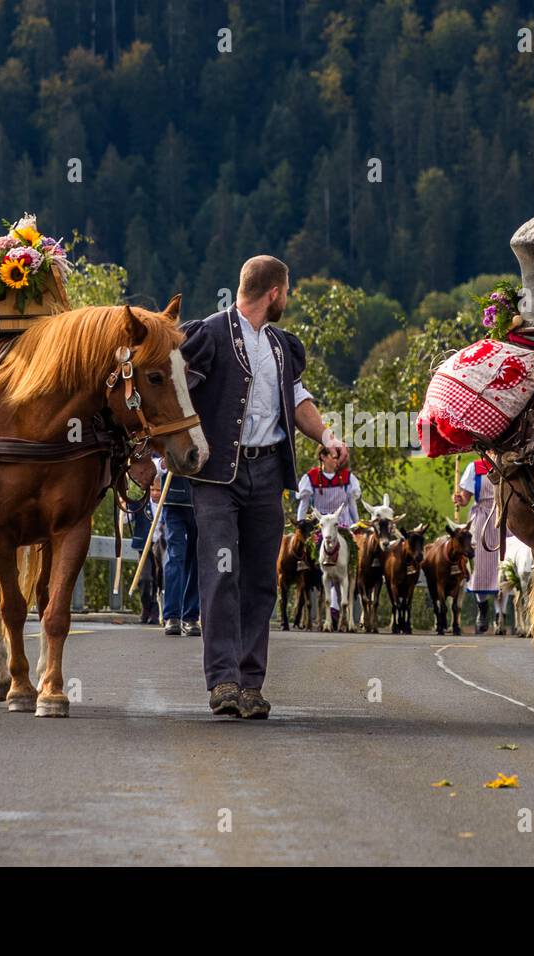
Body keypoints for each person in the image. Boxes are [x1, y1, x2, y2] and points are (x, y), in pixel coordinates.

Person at [179, 255, 350, 719]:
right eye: (287, 291)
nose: (287, 299)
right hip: (216, 477)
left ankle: (251, 683)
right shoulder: (209, 334)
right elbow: (176, 394)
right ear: (274, 292)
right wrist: (160, 459)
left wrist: (327, 437)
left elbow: (297, 398)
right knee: (221, 575)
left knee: (260, 580)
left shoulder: (280, 346)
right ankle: (224, 681)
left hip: (267, 473)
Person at [297, 444, 360, 629]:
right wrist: (301, 525)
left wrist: (356, 525)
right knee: (305, 554)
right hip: (321, 525)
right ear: (323, 457)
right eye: (333, 456)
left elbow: (351, 503)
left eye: (337, 457)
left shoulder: (348, 477)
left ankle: (339, 608)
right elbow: (304, 504)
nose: (337, 460)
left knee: (354, 556)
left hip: (342, 524)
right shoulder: (311, 477)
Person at [452, 457, 499, 634]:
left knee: (506, 564)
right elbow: (465, 499)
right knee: (481, 564)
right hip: (482, 517)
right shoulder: (476, 467)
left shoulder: (510, 459)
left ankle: (499, 614)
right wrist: (460, 499)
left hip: (506, 515)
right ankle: (483, 608)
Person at [157, 455, 201, 637]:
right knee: (176, 555)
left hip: (202, 500)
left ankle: (190, 616)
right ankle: (172, 616)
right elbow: (153, 459)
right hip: (173, 501)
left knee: (198, 558)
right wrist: (162, 463)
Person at [127, 482, 165, 625]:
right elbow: (126, 520)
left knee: (159, 578)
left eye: (158, 490)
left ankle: (156, 611)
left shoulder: (166, 505)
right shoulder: (140, 504)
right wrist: (124, 507)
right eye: (152, 490)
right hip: (145, 546)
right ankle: (146, 607)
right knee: (145, 578)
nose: (155, 493)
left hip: (161, 545)